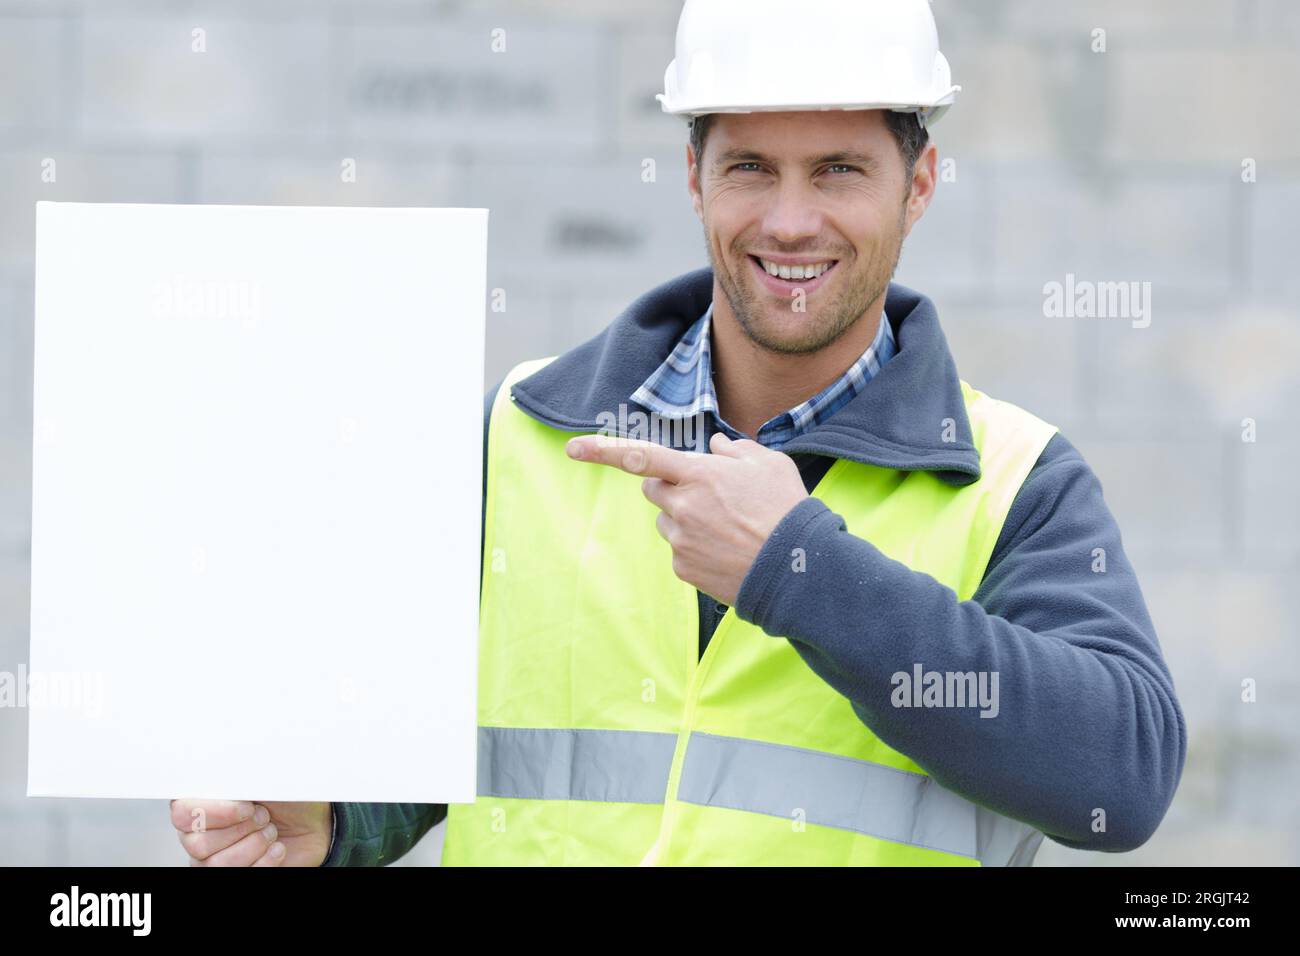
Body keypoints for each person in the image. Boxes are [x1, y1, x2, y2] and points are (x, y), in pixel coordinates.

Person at [174, 0, 1186, 867]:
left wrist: (799, 571)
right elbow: (473, 746)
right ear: (694, 177)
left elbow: (1121, 775)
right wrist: (337, 820)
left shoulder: (1012, 482)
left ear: (916, 188)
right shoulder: (520, 431)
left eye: (837, 170)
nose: (790, 222)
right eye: (751, 167)